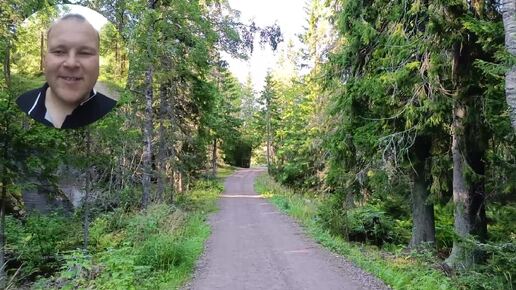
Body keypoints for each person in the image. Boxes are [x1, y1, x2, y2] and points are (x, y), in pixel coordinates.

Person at [16, 13, 116, 129]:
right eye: (59, 51)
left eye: (85, 53)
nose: (71, 63)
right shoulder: (22, 103)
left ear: (98, 62)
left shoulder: (115, 113)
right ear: (45, 60)